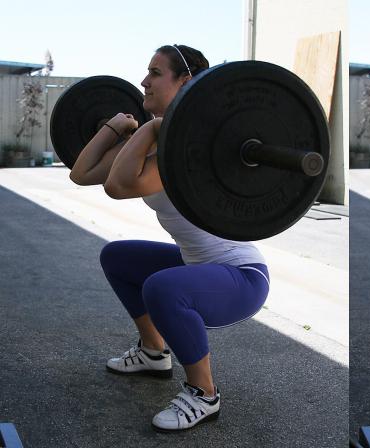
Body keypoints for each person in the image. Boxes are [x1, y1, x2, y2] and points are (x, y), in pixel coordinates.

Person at [69, 44, 270, 432]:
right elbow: (82, 173)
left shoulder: (191, 146)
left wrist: (146, 128)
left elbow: (118, 185)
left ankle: (203, 394)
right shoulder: (156, 137)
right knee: (117, 257)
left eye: (155, 73)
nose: (143, 81)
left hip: (241, 276)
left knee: (162, 287)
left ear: (186, 82)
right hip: (198, 264)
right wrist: (117, 126)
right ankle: (153, 351)